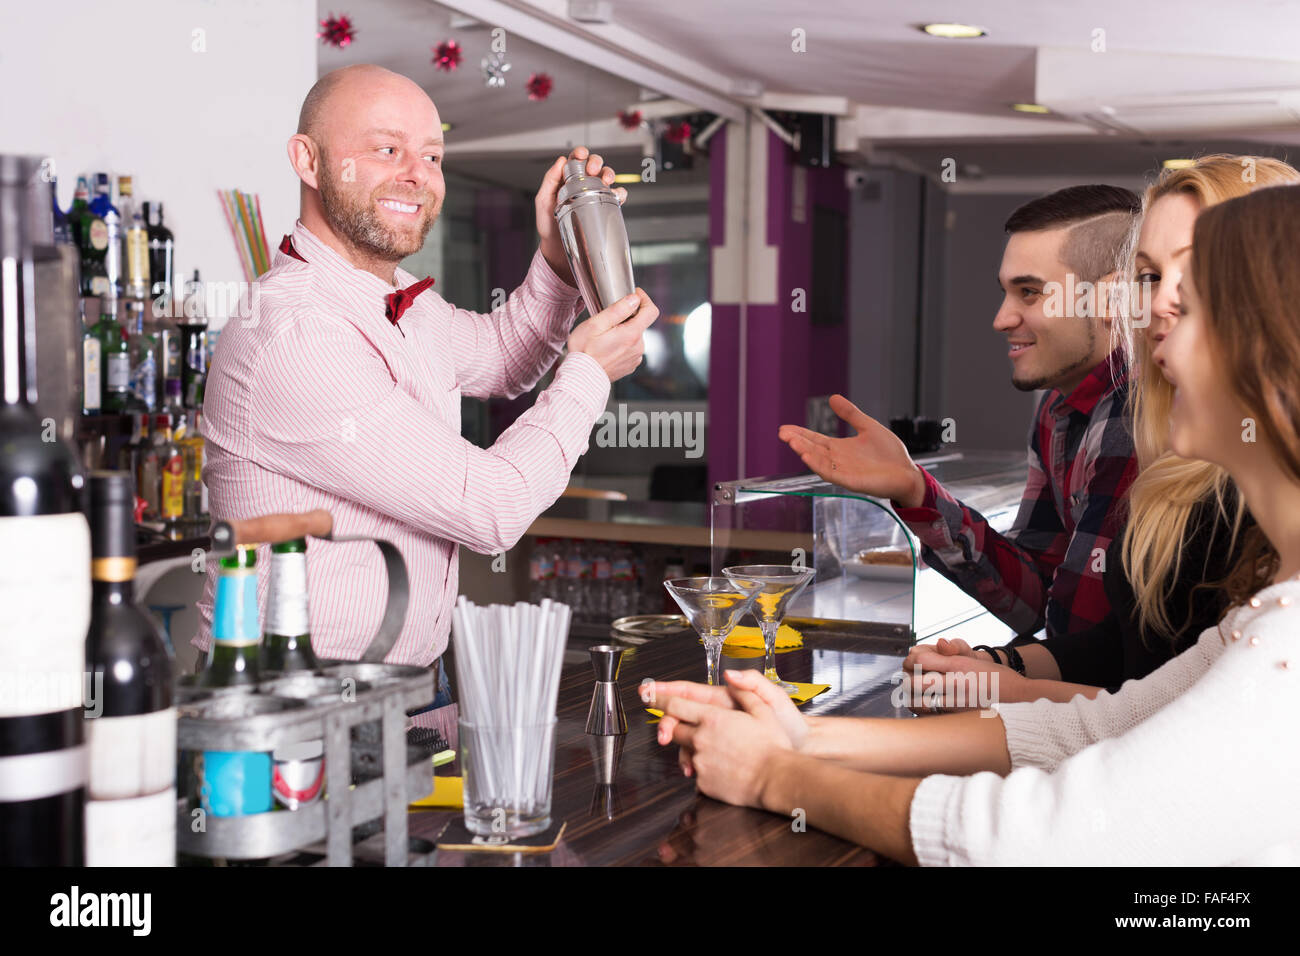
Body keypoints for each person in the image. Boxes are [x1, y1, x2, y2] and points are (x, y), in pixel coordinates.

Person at [649, 183, 1300, 865]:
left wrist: (773, 773)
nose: (1156, 315)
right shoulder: (1065, 421)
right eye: (1151, 281)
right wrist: (805, 736)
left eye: (1185, 296)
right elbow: (1106, 714)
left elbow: (1038, 835)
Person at [192, 65, 659, 681]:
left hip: (409, 677)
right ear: (308, 160)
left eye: (432, 155)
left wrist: (556, 256)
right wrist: (589, 373)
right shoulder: (296, 331)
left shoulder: (397, 296)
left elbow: (504, 356)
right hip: (291, 693)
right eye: (387, 149)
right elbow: (493, 508)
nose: (417, 174)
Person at [907, 155, 1298, 705]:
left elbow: (1170, 712)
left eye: (1029, 291)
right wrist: (1006, 668)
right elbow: (1128, 649)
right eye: (1150, 277)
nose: (1158, 303)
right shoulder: (1076, 419)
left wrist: (1015, 686)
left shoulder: (1160, 435)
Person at [780, 186, 1139, 647]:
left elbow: (1085, 646)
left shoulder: (1134, 413)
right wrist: (914, 487)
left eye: (1029, 293)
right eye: (1006, 293)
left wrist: (999, 670)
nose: (1002, 318)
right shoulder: (1058, 409)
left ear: (1109, 299)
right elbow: (1035, 601)